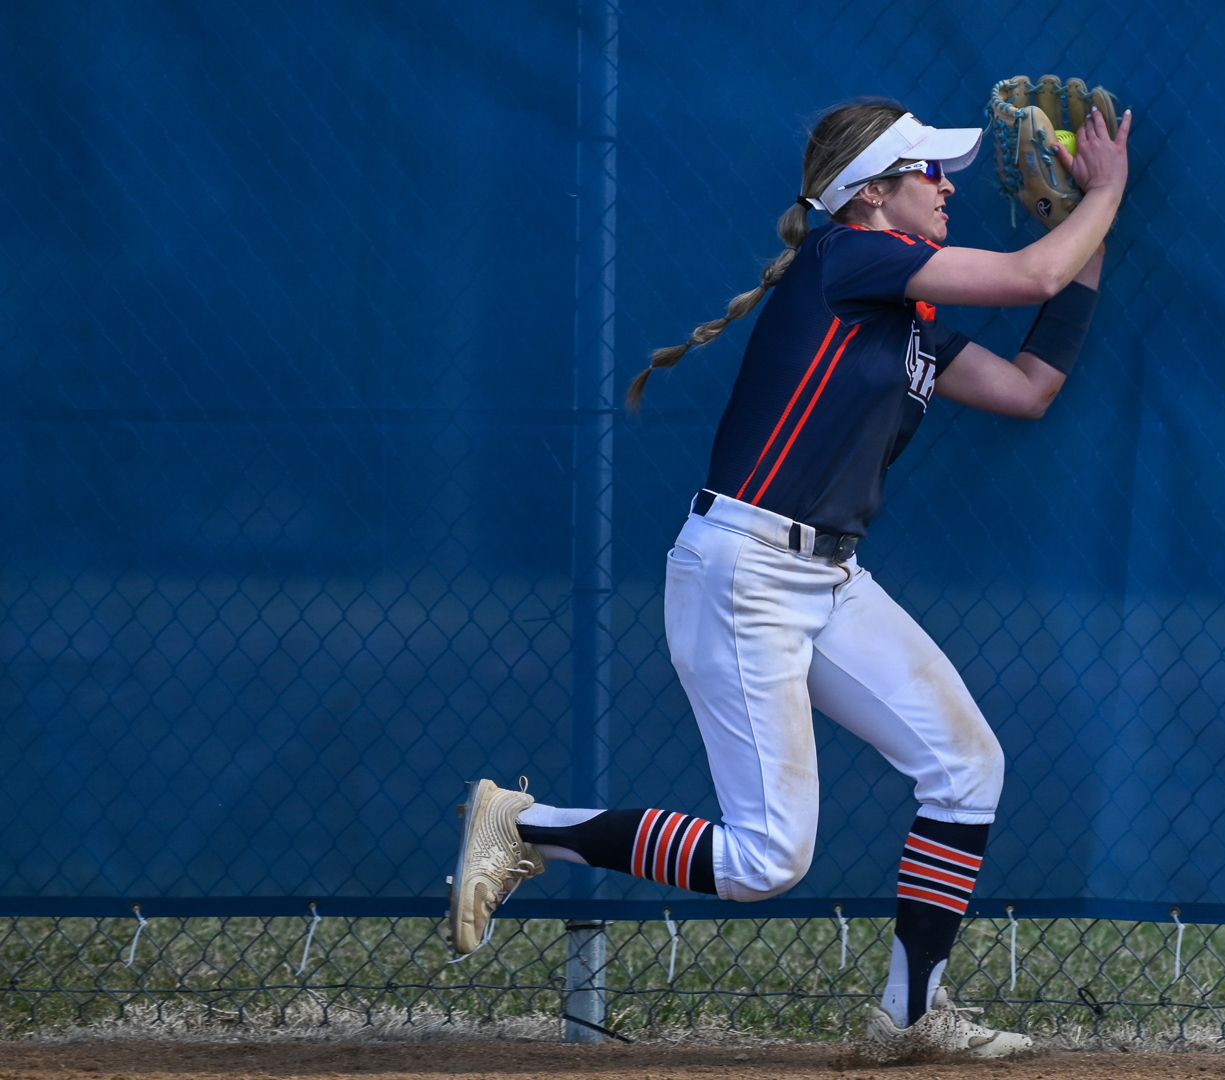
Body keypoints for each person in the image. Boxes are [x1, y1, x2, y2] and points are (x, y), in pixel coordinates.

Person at [449, 96, 1131, 1056]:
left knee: (967, 767)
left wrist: (1086, 236)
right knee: (766, 859)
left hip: (828, 577)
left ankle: (908, 1019)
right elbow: (1030, 275)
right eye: (926, 172)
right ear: (871, 195)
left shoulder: (911, 315)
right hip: (746, 573)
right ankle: (530, 830)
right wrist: (1100, 197)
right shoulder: (845, 260)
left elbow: (1029, 388)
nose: (945, 187)